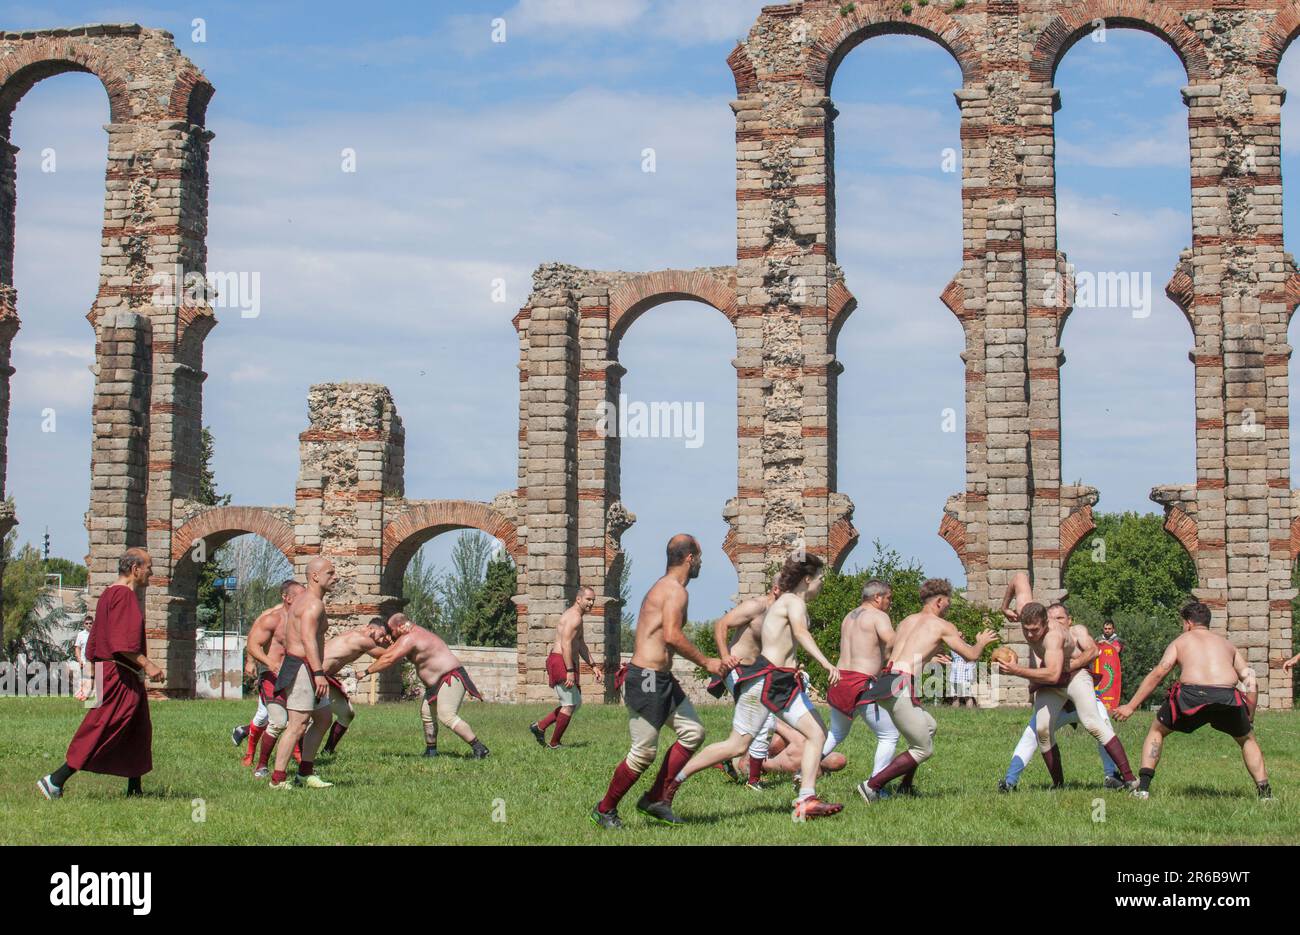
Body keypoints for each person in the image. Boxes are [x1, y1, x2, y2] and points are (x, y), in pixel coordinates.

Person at [649, 553, 844, 821]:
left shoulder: (787, 602)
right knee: (736, 746)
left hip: (783, 681)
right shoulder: (791, 601)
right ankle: (668, 786)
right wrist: (826, 663)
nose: (822, 584)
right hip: (766, 682)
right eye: (820, 578)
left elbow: (787, 643)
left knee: (817, 733)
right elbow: (800, 633)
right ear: (807, 579)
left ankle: (806, 800)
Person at [590, 534, 724, 830]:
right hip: (647, 679)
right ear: (689, 557)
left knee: (693, 732)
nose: (701, 562)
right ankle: (604, 809)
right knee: (644, 752)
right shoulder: (674, 590)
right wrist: (708, 662)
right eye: (699, 556)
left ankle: (656, 799)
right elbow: (672, 636)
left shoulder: (669, 588)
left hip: (661, 678)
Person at [856, 578, 997, 803]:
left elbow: (892, 653)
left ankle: (906, 786)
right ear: (940, 601)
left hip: (887, 681)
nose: (948, 607)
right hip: (900, 687)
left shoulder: (906, 621)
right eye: (948, 603)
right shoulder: (943, 626)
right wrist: (981, 641)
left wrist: (929, 656)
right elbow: (971, 656)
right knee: (923, 749)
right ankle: (871, 786)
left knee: (929, 726)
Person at [39, 549, 164, 800]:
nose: (151, 572)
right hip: (117, 675)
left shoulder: (108, 594)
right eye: (148, 567)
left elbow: (94, 642)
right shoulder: (124, 596)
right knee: (103, 727)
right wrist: (148, 665)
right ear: (135, 569)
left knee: (137, 728)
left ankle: (135, 789)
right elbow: (121, 643)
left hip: (112, 673)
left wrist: (93, 674)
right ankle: (55, 780)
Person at [1116, 601, 1271, 800]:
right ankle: (1265, 795)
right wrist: (1250, 714)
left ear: (1188, 623)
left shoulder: (1182, 641)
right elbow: (1250, 680)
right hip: (1226, 697)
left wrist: (1130, 706)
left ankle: (1143, 789)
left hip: (1191, 696)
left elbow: (1159, 672)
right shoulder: (1227, 645)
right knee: (1247, 738)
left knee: (1157, 731)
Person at [997, 602, 1137, 790]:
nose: (1030, 635)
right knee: (1041, 730)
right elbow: (1020, 580)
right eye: (1026, 629)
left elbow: (1055, 673)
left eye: (1035, 630)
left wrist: (1017, 670)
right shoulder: (1031, 618)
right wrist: (1005, 605)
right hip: (1052, 683)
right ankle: (1058, 785)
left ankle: (1129, 779)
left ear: (1046, 624)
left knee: (1094, 723)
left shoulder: (1054, 636)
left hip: (1073, 677)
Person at [363, 614, 489, 758]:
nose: (391, 634)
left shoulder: (410, 637)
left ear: (400, 626)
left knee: (447, 716)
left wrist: (366, 671)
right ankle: (431, 751)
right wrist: (366, 646)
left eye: (391, 630)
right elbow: (388, 652)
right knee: (427, 714)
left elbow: (389, 658)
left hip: (450, 677)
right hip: (436, 684)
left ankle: (479, 748)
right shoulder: (409, 636)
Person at [822, 578, 903, 792]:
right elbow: (892, 641)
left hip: (840, 680)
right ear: (877, 597)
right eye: (888, 598)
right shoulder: (878, 616)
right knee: (889, 735)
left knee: (836, 733)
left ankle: (804, 772)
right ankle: (874, 786)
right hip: (861, 683)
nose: (889, 603)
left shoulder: (849, 616)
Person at [269, 557, 337, 790]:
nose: (335, 578)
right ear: (315, 576)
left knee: (323, 717)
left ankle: (304, 773)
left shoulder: (311, 600)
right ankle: (277, 779)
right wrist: (319, 673)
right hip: (302, 667)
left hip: (308, 667)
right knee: (297, 724)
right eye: (330, 573)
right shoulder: (311, 604)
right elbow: (308, 639)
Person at [706, 582, 782, 789]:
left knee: (753, 726)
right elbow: (721, 624)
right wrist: (724, 656)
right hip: (738, 668)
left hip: (757, 672)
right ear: (776, 589)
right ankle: (753, 781)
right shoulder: (755, 606)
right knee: (764, 722)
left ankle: (724, 761)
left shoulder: (782, 615)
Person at [233, 580, 302, 770]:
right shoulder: (271, 616)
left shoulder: (304, 617)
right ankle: (253, 757)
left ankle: (300, 760)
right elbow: (253, 640)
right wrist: (252, 661)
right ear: (286, 597)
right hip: (271, 674)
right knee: (268, 717)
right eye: (299, 596)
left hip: (294, 674)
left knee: (299, 718)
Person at [530, 587, 603, 748]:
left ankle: (540, 727)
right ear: (579, 599)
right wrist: (570, 671)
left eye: (593, 600)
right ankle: (554, 743)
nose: (591, 603)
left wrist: (593, 666)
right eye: (588, 599)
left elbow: (580, 643)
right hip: (560, 661)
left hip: (564, 660)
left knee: (574, 703)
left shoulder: (578, 617)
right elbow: (566, 644)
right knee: (569, 704)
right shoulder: (574, 617)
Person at [318, 617, 396, 755]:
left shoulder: (358, 636)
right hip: (315, 677)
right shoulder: (363, 639)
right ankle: (299, 757)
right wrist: (397, 645)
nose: (381, 639)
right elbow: (387, 656)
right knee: (302, 721)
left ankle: (328, 750)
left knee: (346, 714)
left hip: (324, 678)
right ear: (371, 628)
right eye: (381, 635)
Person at [72, 614, 93, 702]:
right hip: (84, 660)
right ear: (84, 624)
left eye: (90, 623)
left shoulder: (97, 634)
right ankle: (80, 695)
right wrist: (79, 659)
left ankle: (89, 695)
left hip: (93, 661)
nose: (88, 625)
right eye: (87, 623)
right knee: (82, 678)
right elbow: (77, 647)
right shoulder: (81, 634)